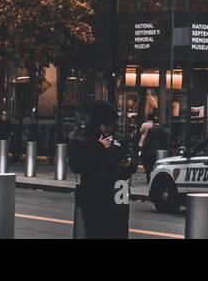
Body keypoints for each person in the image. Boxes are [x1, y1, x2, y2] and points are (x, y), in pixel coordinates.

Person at [68, 99, 136, 238]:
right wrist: (98, 149)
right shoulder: (83, 139)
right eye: (106, 125)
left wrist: (129, 165)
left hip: (119, 191)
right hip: (96, 192)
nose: (109, 129)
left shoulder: (118, 139)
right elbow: (76, 165)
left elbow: (130, 163)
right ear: (97, 123)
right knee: (97, 231)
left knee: (120, 232)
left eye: (112, 125)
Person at [138, 110, 168, 176]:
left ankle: (149, 175)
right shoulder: (165, 131)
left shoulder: (150, 129)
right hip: (160, 151)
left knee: (147, 162)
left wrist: (143, 149)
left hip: (151, 151)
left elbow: (147, 140)